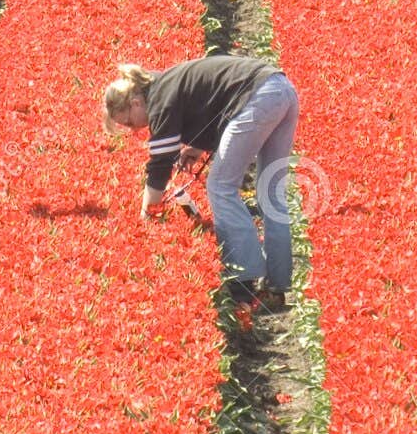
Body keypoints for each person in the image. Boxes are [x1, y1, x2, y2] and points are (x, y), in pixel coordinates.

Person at [102, 54, 299, 310]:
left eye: (128, 122)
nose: (133, 130)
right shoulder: (167, 85)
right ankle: (276, 286)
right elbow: (211, 103)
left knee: (220, 186)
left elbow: (160, 165)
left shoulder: (160, 101)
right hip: (281, 89)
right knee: (270, 193)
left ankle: (245, 280)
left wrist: (148, 214)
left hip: (257, 98)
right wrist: (195, 147)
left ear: (136, 103)